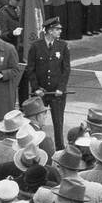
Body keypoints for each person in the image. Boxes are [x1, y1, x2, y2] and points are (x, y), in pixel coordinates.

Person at [25, 15, 70, 146]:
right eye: (57, 29)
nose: (60, 31)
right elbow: (30, 69)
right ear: (50, 31)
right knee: (37, 123)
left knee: (58, 123)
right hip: (41, 92)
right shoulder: (36, 46)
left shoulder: (63, 46)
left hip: (57, 93)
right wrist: (36, 88)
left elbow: (66, 69)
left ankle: (60, 149)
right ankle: (37, 147)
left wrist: (61, 88)